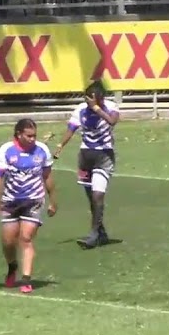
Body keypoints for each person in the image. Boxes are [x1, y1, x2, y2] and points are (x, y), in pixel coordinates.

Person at [0, 118, 58, 295]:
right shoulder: (6, 150)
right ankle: (12, 267)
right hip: (10, 201)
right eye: (28, 136)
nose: (32, 139)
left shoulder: (42, 150)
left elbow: (47, 176)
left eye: (34, 136)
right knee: (8, 241)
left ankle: (26, 279)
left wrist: (53, 200)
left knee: (26, 238)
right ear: (18, 134)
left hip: (33, 200)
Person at [55, 82, 118, 248]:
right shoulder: (80, 110)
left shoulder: (111, 107)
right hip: (85, 157)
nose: (96, 102)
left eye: (98, 99)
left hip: (104, 156)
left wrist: (96, 108)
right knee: (91, 198)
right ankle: (100, 232)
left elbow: (112, 121)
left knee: (98, 195)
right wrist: (60, 146)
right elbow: (71, 129)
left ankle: (93, 235)